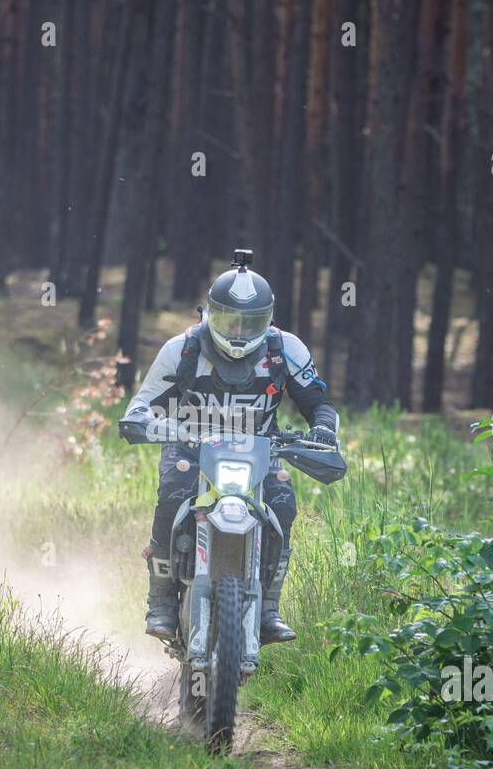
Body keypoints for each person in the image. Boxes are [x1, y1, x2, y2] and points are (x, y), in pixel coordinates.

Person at [121, 249, 340, 646]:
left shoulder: (285, 349)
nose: (238, 331)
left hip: (262, 452)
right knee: (173, 497)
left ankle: (269, 606)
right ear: (209, 312)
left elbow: (318, 403)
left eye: (250, 322)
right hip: (189, 447)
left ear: (269, 319)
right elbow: (142, 403)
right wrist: (151, 423)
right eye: (228, 320)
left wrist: (323, 430)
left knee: (283, 504)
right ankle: (162, 603)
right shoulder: (181, 349)